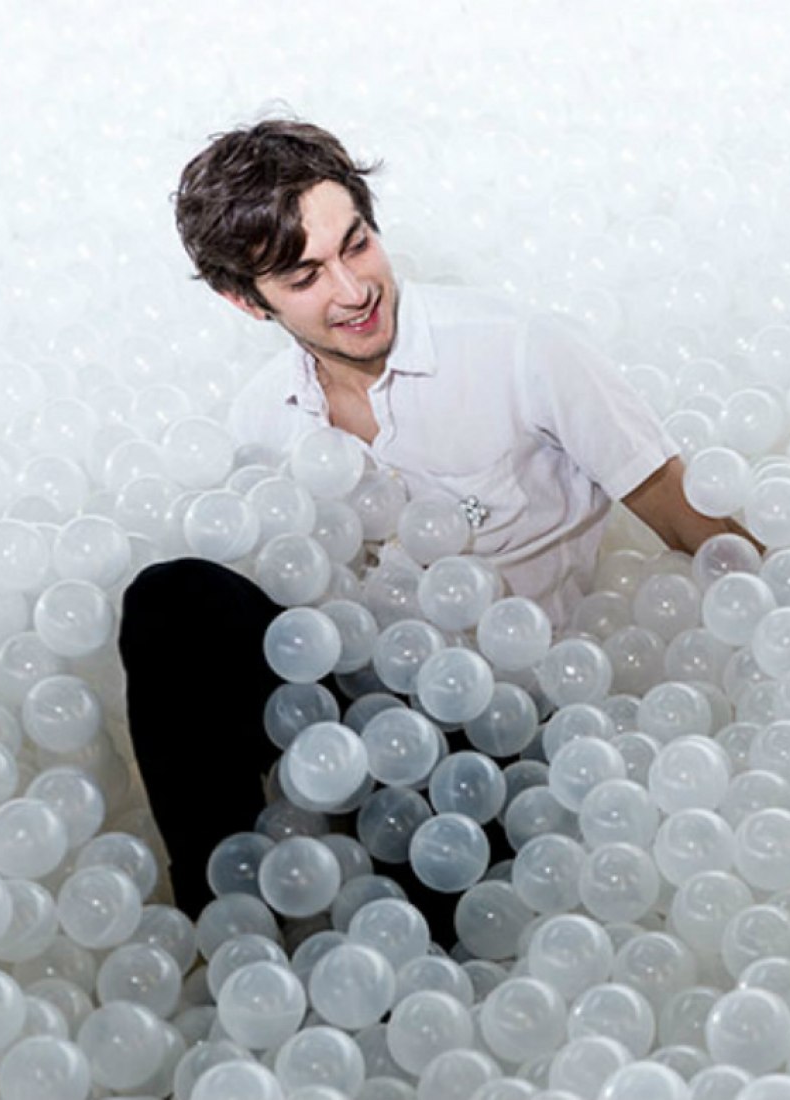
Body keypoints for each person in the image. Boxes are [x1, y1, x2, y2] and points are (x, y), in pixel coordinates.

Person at [121, 118, 749, 934]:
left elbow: (685, 516)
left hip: (503, 742)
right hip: (354, 731)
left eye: (357, 245)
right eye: (305, 276)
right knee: (172, 598)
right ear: (245, 301)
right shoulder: (262, 421)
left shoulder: (519, 351)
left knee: (434, 940)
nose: (353, 290)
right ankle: (222, 926)